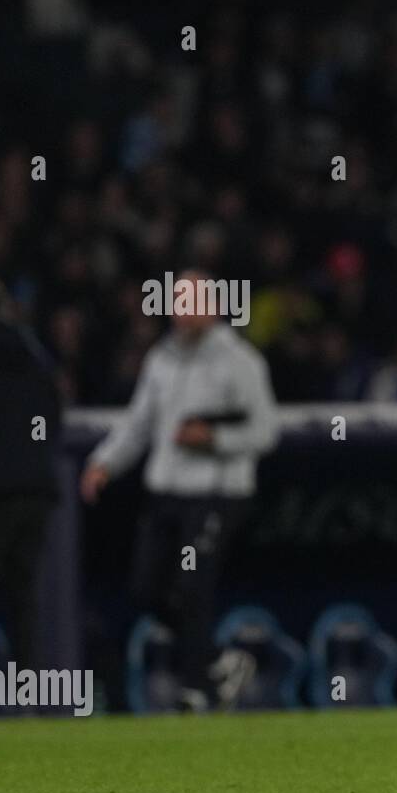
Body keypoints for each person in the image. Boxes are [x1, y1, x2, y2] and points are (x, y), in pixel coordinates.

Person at [79, 269, 280, 712]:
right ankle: (217, 661)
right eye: (177, 303)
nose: (181, 313)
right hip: (167, 492)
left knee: (193, 586)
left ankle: (198, 690)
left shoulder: (240, 362)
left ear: (213, 307)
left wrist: (214, 440)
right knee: (145, 589)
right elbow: (139, 423)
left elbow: (266, 430)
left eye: (191, 303)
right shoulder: (161, 359)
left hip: (216, 493)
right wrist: (104, 463)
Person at [0, 276, 61, 668]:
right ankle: (29, 691)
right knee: (23, 597)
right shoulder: (33, 353)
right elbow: (53, 415)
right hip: (35, 489)